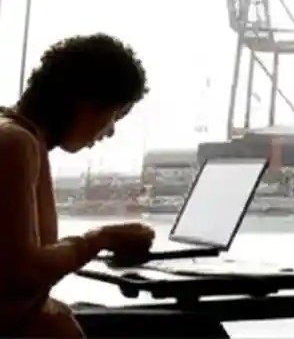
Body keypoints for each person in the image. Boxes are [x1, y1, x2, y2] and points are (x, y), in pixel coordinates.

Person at [0, 34, 227, 338]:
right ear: (87, 103)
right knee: (196, 328)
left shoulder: (18, 135)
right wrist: (98, 240)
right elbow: (21, 274)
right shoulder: (16, 144)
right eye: (114, 116)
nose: (109, 132)